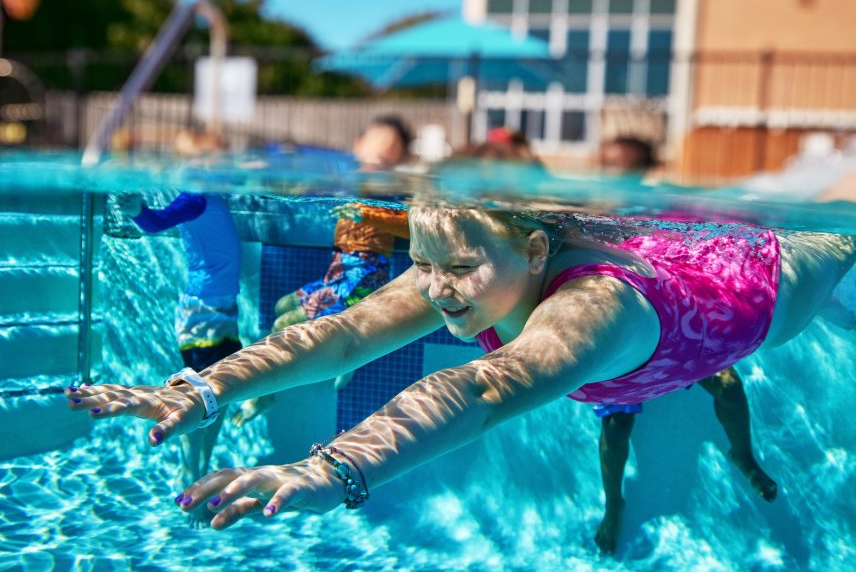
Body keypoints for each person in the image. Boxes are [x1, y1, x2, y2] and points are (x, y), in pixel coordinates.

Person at [66, 204, 856, 534]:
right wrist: (204, 387)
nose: (434, 287)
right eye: (421, 262)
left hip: (751, 297)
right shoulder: (463, 261)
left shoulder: (597, 309)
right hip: (657, 289)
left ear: (535, 248)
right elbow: (343, 336)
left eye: (458, 265)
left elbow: (479, 388)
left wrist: (329, 470)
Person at [592, 134, 777, 554]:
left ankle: (743, 455)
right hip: (625, 325)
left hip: (674, 322)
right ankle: (613, 502)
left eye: (623, 172)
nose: (612, 180)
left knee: (728, 386)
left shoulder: (669, 208)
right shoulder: (591, 210)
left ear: (646, 174)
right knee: (616, 424)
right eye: (607, 171)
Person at [231, 115, 414, 424]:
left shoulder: (395, 193)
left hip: (362, 276)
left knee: (286, 322)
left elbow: (413, 227)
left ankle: (264, 395)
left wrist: (367, 215)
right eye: (376, 146)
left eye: (391, 150)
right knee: (281, 306)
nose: (381, 155)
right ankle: (348, 351)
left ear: (403, 159)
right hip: (339, 271)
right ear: (357, 146)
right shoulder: (346, 183)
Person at [109, 190, 242, 526]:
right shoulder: (196, 197)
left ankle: (196, 472)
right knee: (210, 395)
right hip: (205, 315)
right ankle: (192, 476)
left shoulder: (206, 197)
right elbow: (156, 223)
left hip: (214, 311)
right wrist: (137, 210)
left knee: (218, 395)